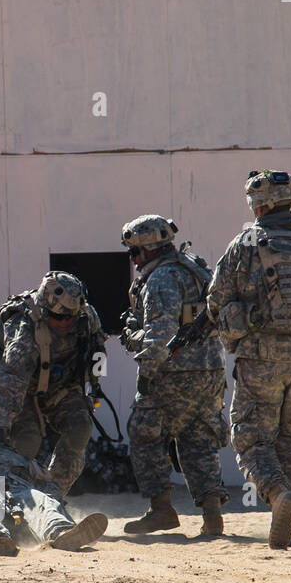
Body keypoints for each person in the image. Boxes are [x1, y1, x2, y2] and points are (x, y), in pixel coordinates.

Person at [207, 171, 291, 548]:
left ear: (259, 204)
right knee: (288, 441)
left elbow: (216, 299)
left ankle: (277, 493)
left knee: (251, 440)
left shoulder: (245, 242)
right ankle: (288, 518)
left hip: (258, 360)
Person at [119, 215, 228, 537]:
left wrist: (135, 345)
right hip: (209, 371)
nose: (133, 260)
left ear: (148, 250)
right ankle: (212, 517)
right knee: (198, 440)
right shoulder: (196, 271)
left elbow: (160, 336)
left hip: (174, 373)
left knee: (145, 434)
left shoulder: (162, 279)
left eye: (134, 253)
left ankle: (161, 510)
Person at [0, 271, 107, 496]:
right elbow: (12, 377)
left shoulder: (86, 318)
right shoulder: (24, 325)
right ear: (43, 309)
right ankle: (17, 499)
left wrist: (94, 388)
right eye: (58, 317)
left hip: (62, 388)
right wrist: (2, 421)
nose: (65, 322)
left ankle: (53, 495)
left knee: (80, 428)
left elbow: (99, 354)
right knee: (27, 442)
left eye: (69, 317)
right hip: (24, 392)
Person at [0, 442, 108, 556]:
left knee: (40, 498)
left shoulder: (29, 463)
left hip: (21, 494)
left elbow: (52, 490)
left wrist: (47, 485)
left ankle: (61, 532)